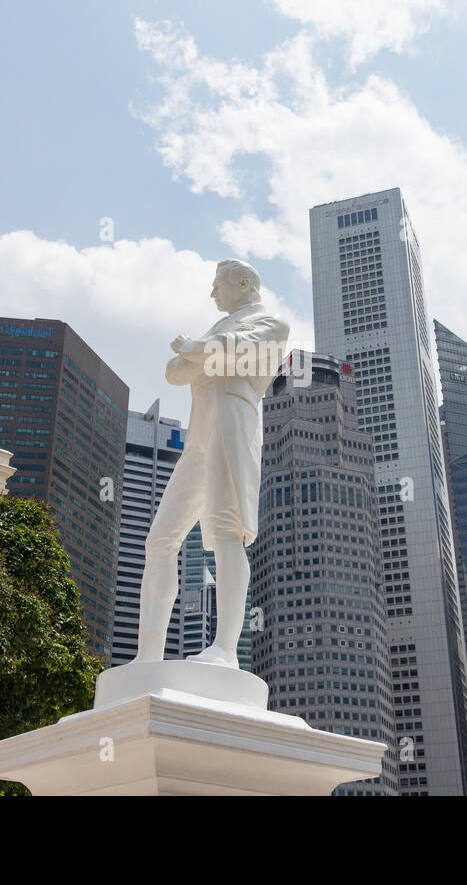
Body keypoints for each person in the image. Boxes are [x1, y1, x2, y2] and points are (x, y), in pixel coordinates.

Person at [132, 259, 289, 667]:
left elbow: (233, 353)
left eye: (218, 283)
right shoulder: (217, 329)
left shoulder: (272, 323)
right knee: (160, 540)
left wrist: (195, 350)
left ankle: (224, 650)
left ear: (241, 283)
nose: (212, 292)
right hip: (198, 432)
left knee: (225, 532)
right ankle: (147, 656)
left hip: (230, 421)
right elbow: (174, 372)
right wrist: (200, 352)